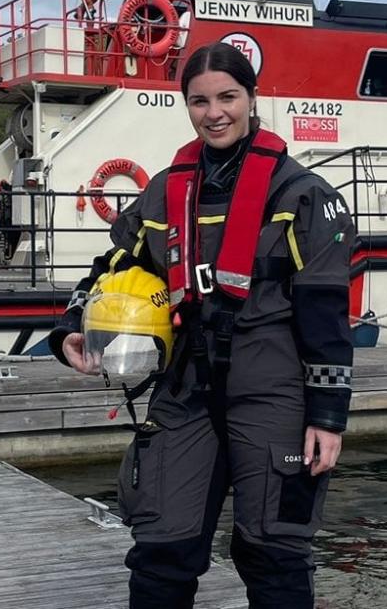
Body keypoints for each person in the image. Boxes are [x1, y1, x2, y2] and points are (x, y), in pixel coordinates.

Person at [47, 42, 355, 608]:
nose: (214, 112)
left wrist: (328, 417)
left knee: (275, 551)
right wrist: (70, 324)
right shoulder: (166, 190)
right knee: (164, 548)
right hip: (185, 389)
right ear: (185, 105)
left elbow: (327, 317)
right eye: (199, 100)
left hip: (272, 391)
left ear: (251, 98)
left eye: (227, 97)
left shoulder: (301, 196)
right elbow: (112, 267)